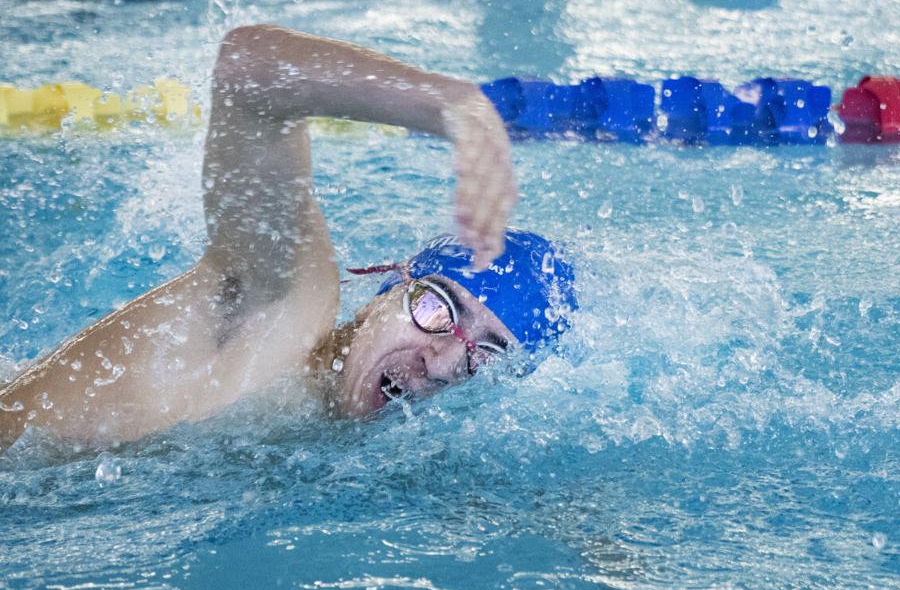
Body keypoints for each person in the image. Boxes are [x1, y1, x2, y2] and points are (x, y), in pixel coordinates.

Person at [0, 24, 575, 450]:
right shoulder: (283, 309)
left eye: (488, 353)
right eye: (436, 306)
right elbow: (249, 70)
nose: (447, 361)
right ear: (386, 288)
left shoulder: (324, 435)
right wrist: (452, 104)